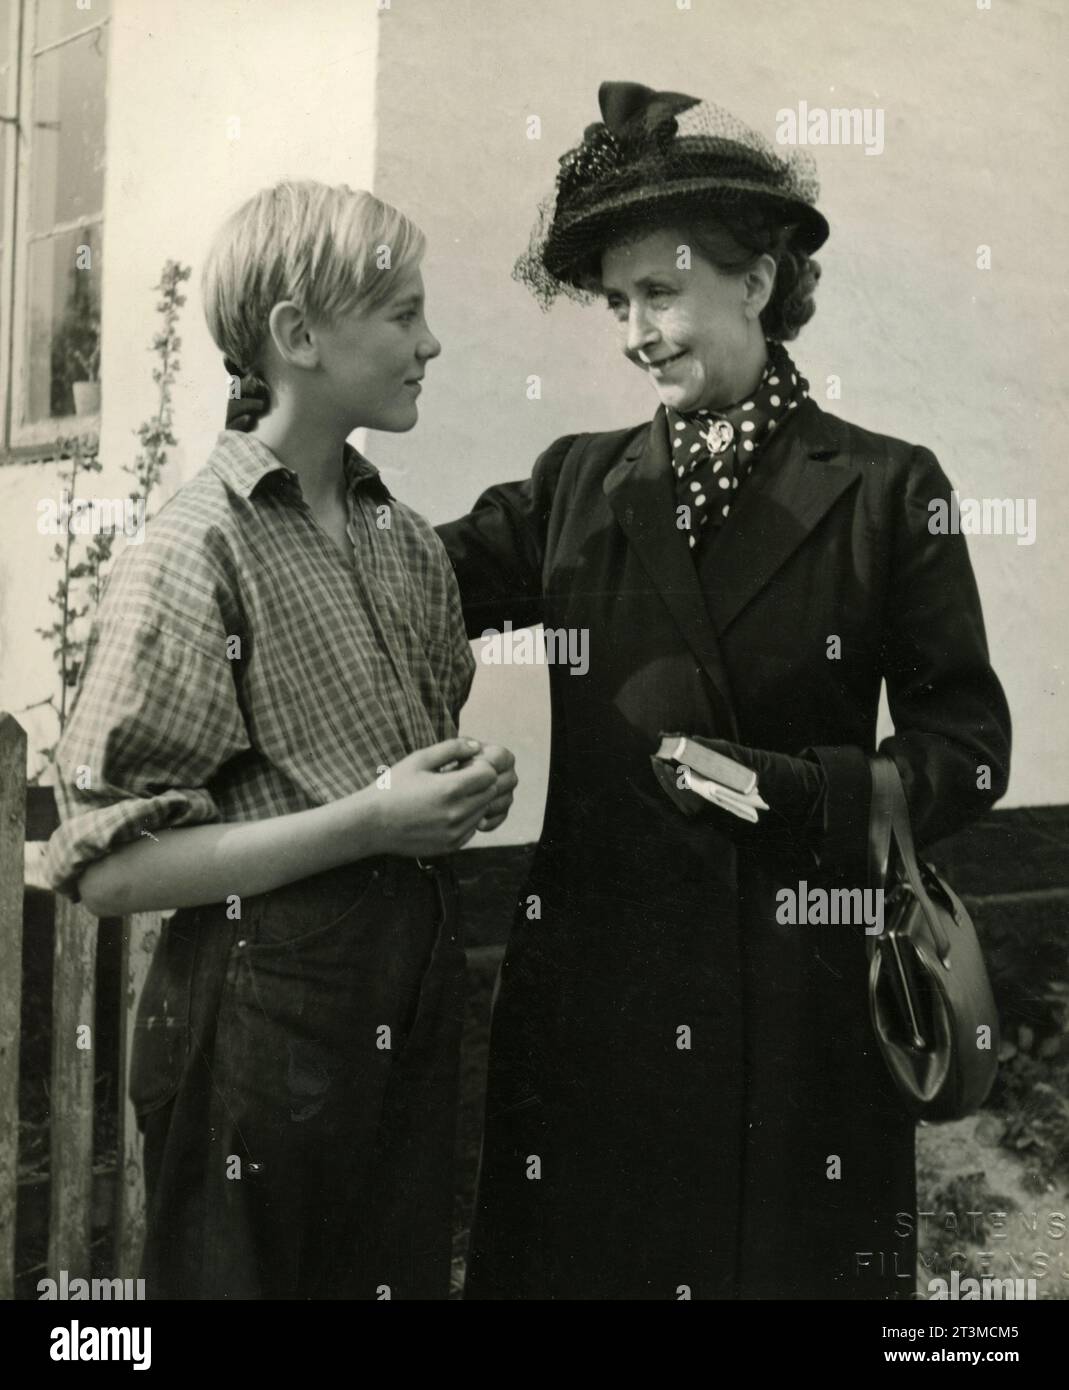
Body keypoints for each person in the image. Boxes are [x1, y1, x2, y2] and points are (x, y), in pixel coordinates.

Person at [434, 83, 1012, 1300]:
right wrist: (279, 452)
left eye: (662, 291)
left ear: (756, 281)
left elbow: (969, 745)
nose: (635, 329)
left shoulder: (883, 489)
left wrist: (814, 793)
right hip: (598, 1006)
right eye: (616, 302)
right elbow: (399, 580)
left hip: (796, 1011)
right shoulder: (575, 486)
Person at [45, 180, 517, 1300]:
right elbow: (109, 870)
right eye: (402, 314)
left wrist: (455, 793)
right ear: (298, 335)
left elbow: (394, 772)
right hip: (257, 1020)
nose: (431, 342)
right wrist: (373, 821)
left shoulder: (398, 537)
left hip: (406, 991)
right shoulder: (195, 549)